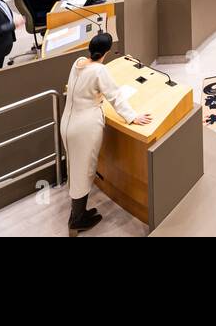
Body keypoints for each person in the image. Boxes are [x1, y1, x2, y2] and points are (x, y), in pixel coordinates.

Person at [60, 32, 152, 235]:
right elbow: (115, 96)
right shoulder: (99, 71)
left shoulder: (78, 62)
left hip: (67, 123)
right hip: (84, 127)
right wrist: (132, 117)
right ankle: (77, 219)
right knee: (84, 170)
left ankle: (79, 213)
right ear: (107, 52)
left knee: (75, 168)